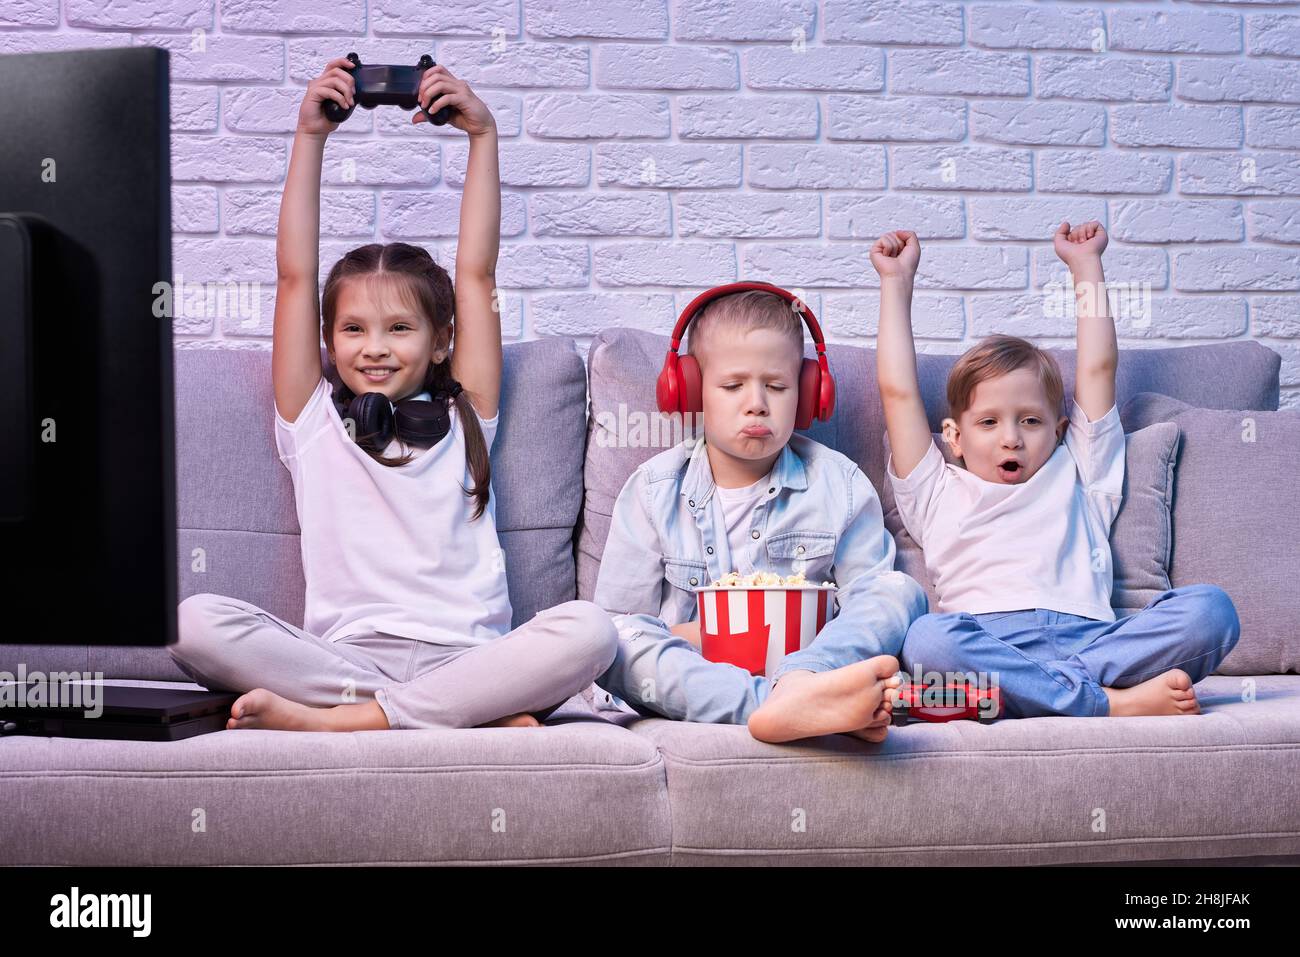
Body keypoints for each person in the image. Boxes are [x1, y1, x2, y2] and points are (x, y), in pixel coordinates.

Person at [170, 57, 616, 732]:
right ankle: (454, 716)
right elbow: (294, 277)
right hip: (343, 665)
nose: (374, 346)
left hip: (468, 659)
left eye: (399, 328)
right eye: (353, 329)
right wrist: (309, 136)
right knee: (191, 623)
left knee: (590, 630)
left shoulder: (470, 406)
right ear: (328, 339)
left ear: (441, 342)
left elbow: (476, 273)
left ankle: (356, 722)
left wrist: (483, 136)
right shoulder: (313, 419)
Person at [871, 221, 1240, 719]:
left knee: (1212, 610)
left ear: (1061, 429)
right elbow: (898, 391)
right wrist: (896, 283)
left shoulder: (1081, 469)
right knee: (926, 640)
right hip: (985, 641)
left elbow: (1097, 370)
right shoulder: (935, 489)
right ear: (953, 438)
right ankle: (1108, 703)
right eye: (988, 422)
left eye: (1030, 420)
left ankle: (1037, 695)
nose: (1011, 437)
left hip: (1093, 640)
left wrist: (1086, 267)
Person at [594, 285, 927, 743]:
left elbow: (866, 602)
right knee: (612, 639)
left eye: (777, 386)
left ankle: (801, 684)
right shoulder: (653, 491)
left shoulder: (841, 485)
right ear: (691, 391)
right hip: (697, 673)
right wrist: (712, 633)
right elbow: (621, 621)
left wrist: (807, 651)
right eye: (733, 386)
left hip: (815, 660)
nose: (757, 402)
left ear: (809, 394)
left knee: (898, 589)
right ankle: (786, 705)